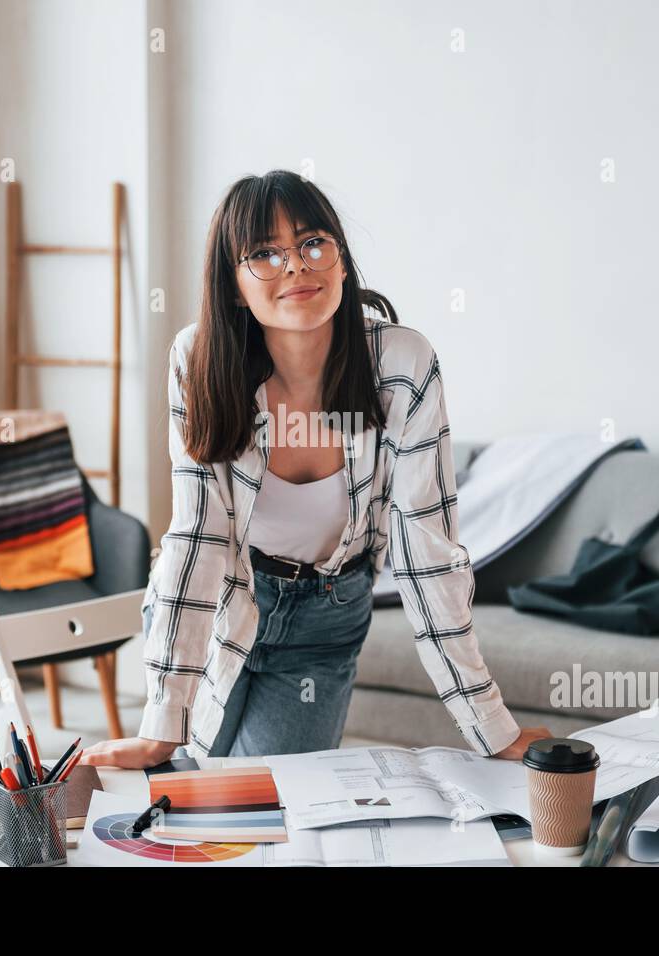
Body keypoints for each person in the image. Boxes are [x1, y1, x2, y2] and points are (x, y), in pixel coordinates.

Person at [81, 170, 552, 769]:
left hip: (323, 625)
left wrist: (491, 726)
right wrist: (160, 724)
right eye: (264, 255)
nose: (296, 267)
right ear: (232, 287)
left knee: (268, 813)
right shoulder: (196, 360)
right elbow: (197, 536)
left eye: (312, 243)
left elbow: (426, 550)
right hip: (221, 600)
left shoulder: (402, 364)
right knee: (183, 801)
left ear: (342, 259)